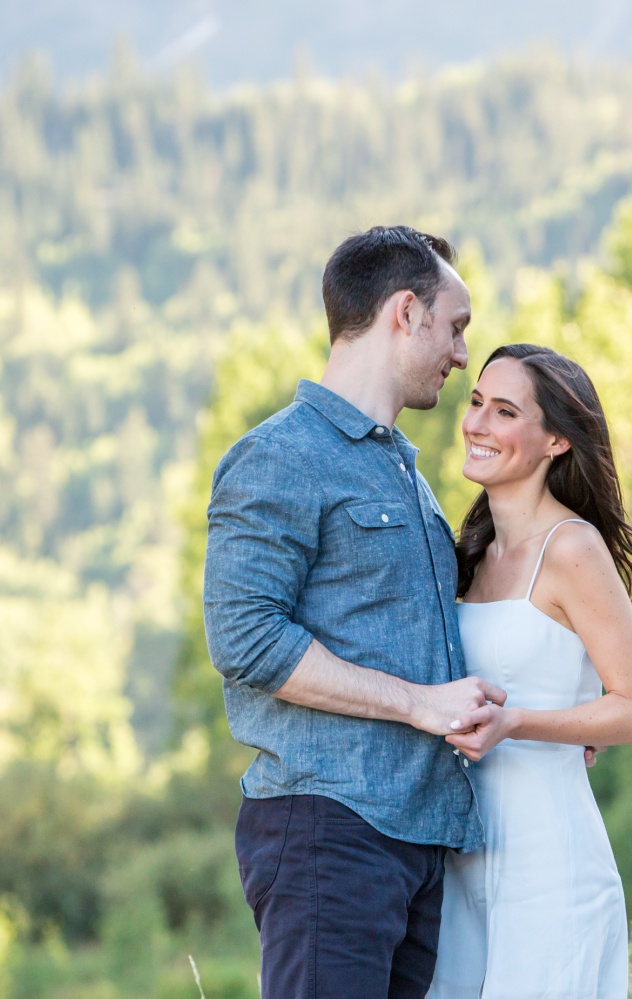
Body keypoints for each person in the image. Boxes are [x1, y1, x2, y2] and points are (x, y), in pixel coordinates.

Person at [202, 225, 507, 997]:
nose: (464, 353)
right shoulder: (281, 455)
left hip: (413, 840)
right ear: (405, 311)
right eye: (456, 325)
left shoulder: (402, 470)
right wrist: (419, 704)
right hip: (328, 833)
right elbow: (246, 639)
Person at [427, 344, 632, 998]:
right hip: (464, 859)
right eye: (476, 402)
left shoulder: (573, 548)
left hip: (547, 865)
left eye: (505, 411)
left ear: (556, 439)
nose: (476, 423)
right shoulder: (472, 551)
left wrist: (519, 721)